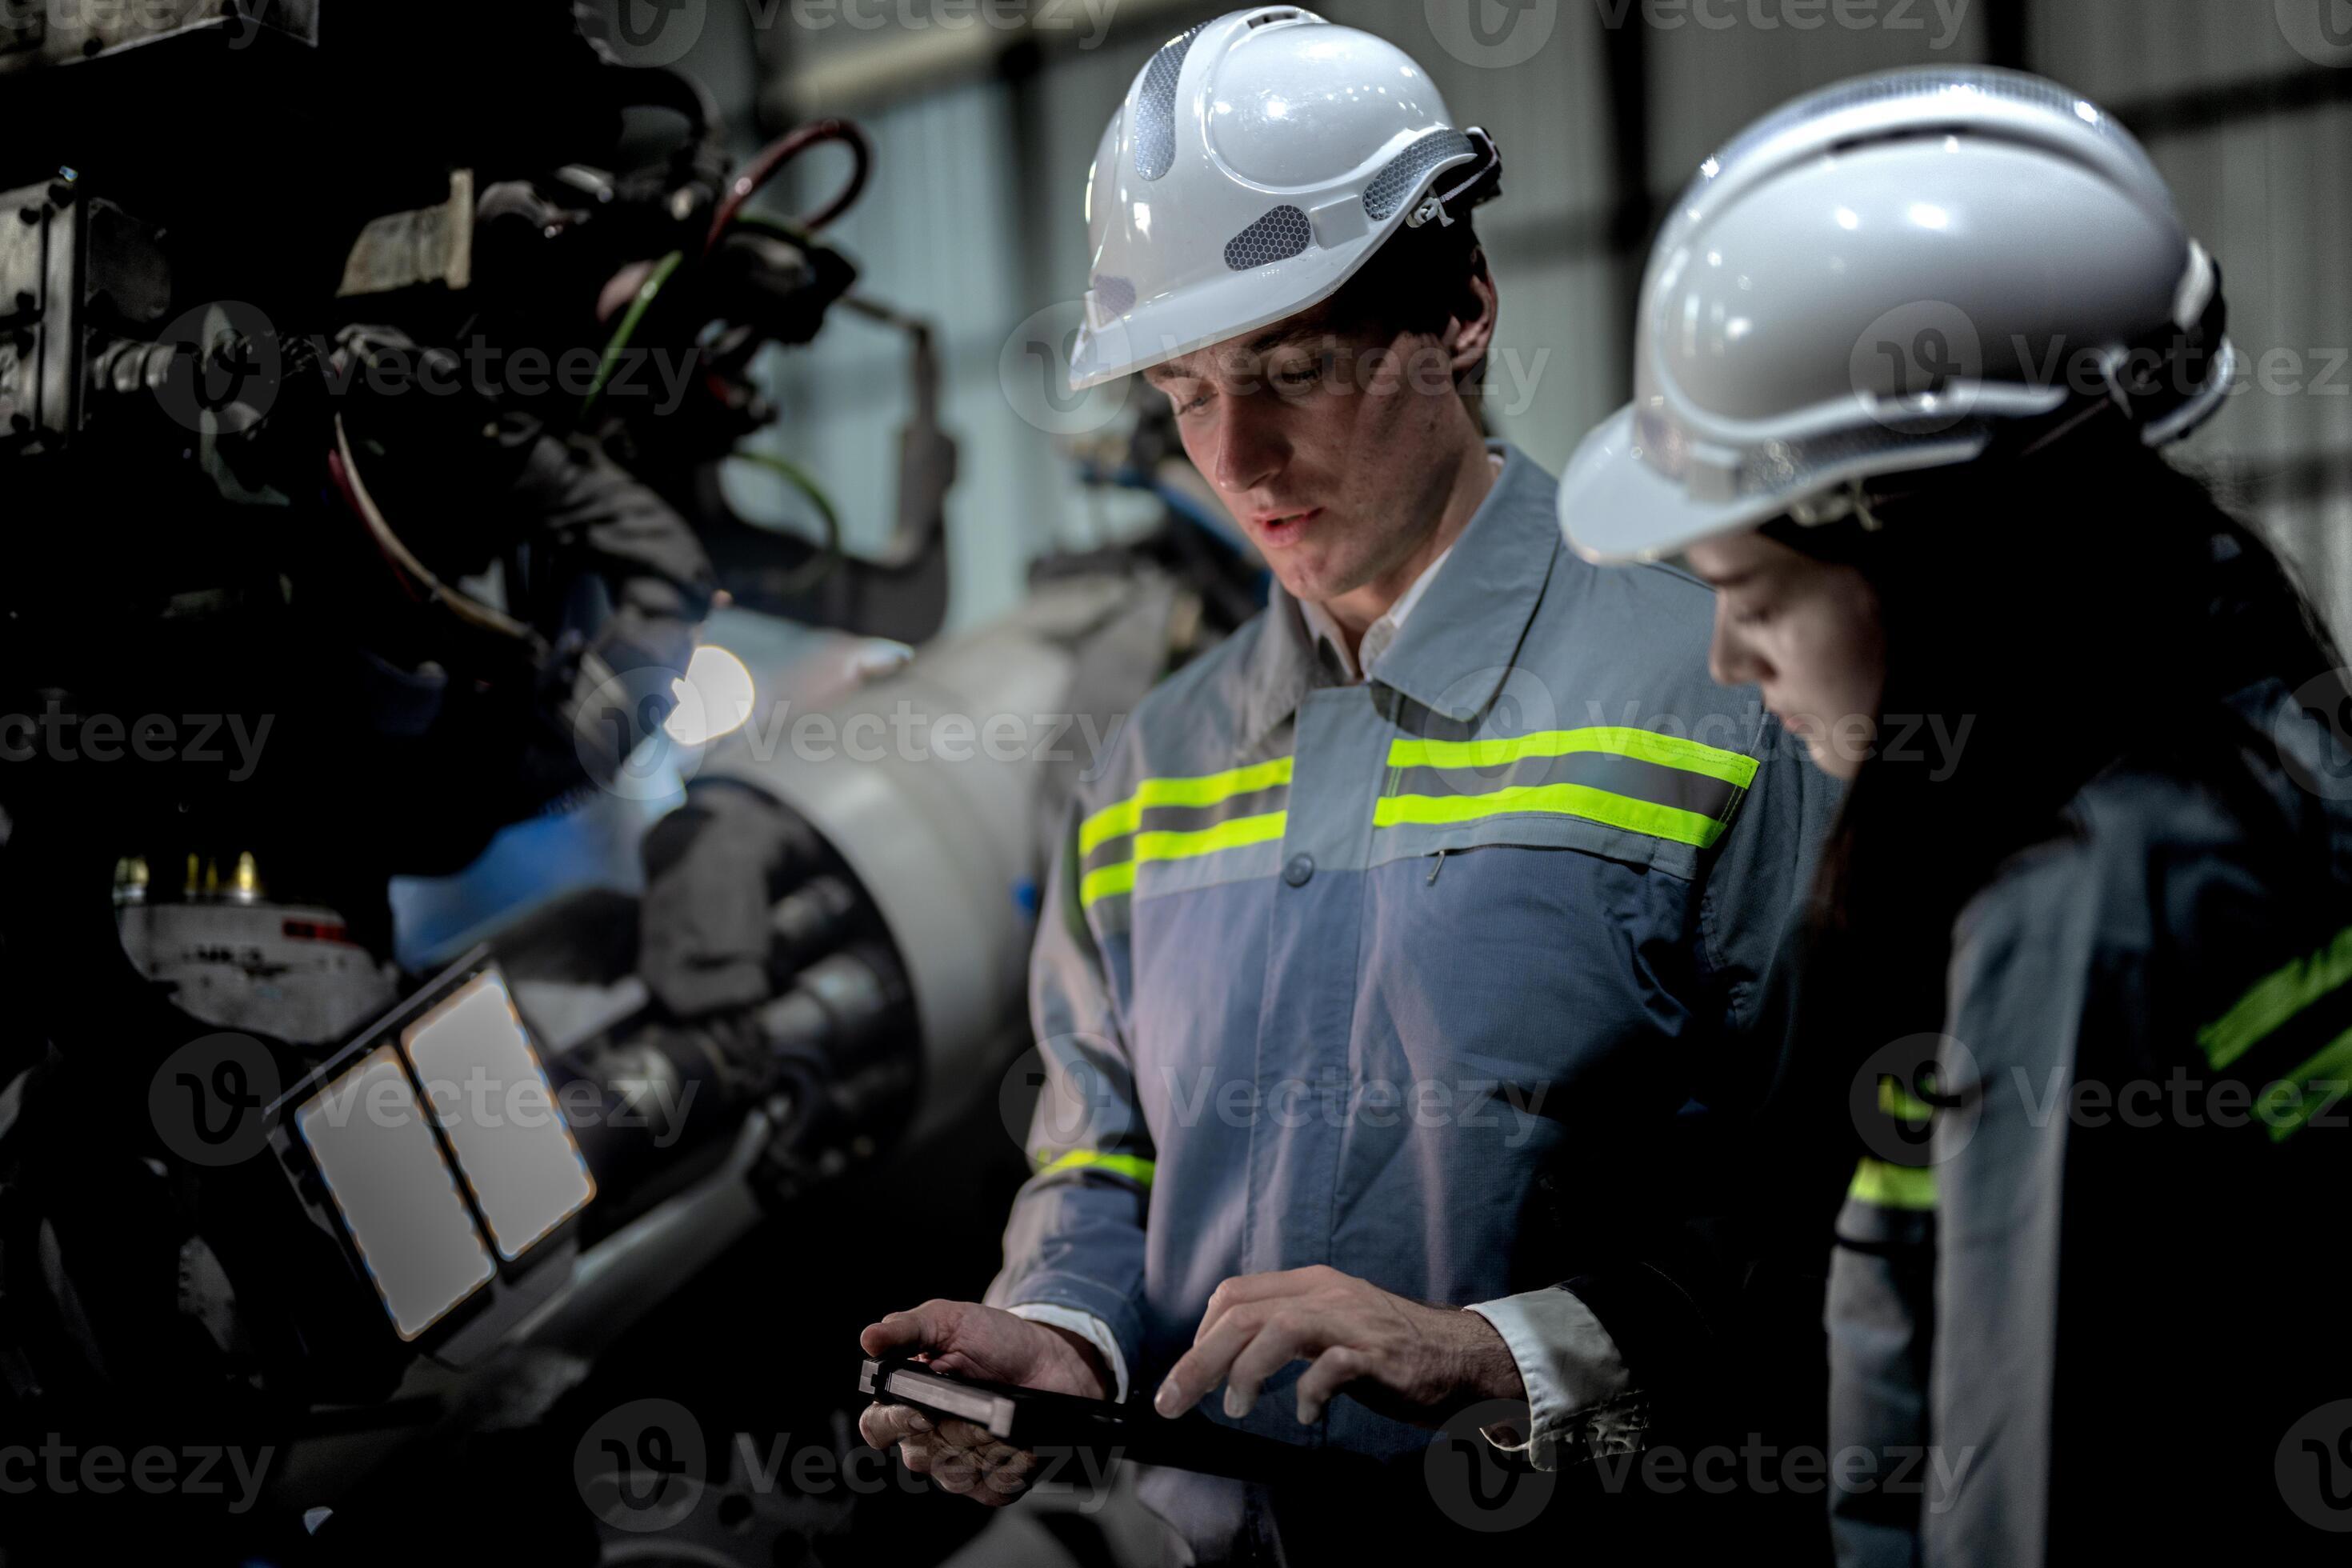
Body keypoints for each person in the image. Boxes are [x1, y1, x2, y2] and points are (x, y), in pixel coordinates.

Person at [858, 9, 1838, 1558]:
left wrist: (1504, 1353)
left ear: (1461, 308)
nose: (1236, 457)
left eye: (1291, 369)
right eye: (1185, 391)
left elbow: (1830, 1207)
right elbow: (1102, 1144)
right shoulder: (1147, 767)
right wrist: (1062, 1330)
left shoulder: (1729, 700)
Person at [1558, 66, 2352, 1566]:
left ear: (1944, 566)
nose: (1731, 662)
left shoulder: (2084, 908)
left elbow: (2026, 1489)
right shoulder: (2269, 737)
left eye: (1754, 596)